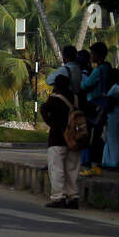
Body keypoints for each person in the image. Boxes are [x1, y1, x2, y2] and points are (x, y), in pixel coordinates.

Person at [40, 73, 81, 208]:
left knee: (57, 169)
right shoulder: (76, 98)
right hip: (74, 138)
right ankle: (73, 197)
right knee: (72, 169)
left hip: (57, 137)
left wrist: (51, 123)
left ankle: (58, 197)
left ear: (56, 85)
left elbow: (43, 109)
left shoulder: (54, 98)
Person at [80, 42, 111, 176]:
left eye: (93, 53)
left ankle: (93, 163)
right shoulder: (107, 68)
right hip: (104, 103)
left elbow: (85, 85)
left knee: (93, 136)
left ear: (97, 55)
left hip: (95, 104)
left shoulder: (98, 70)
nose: (91, 56)